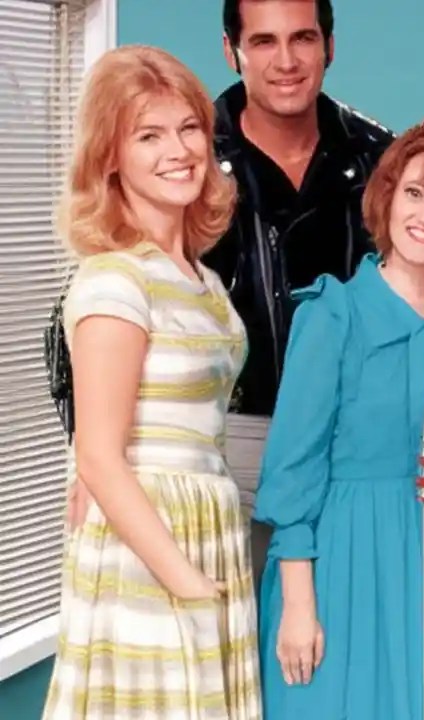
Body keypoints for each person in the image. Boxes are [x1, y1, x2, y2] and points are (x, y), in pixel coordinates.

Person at [253, 117, 424, 720]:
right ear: (388, 196)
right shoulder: (333, 314)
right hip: (340, 564)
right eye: (415, 192)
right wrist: (297, 604)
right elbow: (293, 471)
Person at [41, 45, 259, 719]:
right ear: (109, 157)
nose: (179, 150)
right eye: (148, 135)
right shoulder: (115, 278)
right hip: (148, 545)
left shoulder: (204, 280)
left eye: (189, 127)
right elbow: (101, 456)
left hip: (207, 522)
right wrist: (186, 582)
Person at [206, 0, 395, 575]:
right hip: (229, 441)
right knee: (237, 650)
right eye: (263, 41)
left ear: (329, 47)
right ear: (230, 50)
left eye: (303, 39)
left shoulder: (379, 157)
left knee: (335, 642)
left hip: (352, 445)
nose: (286, 61)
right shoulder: (192, 158)